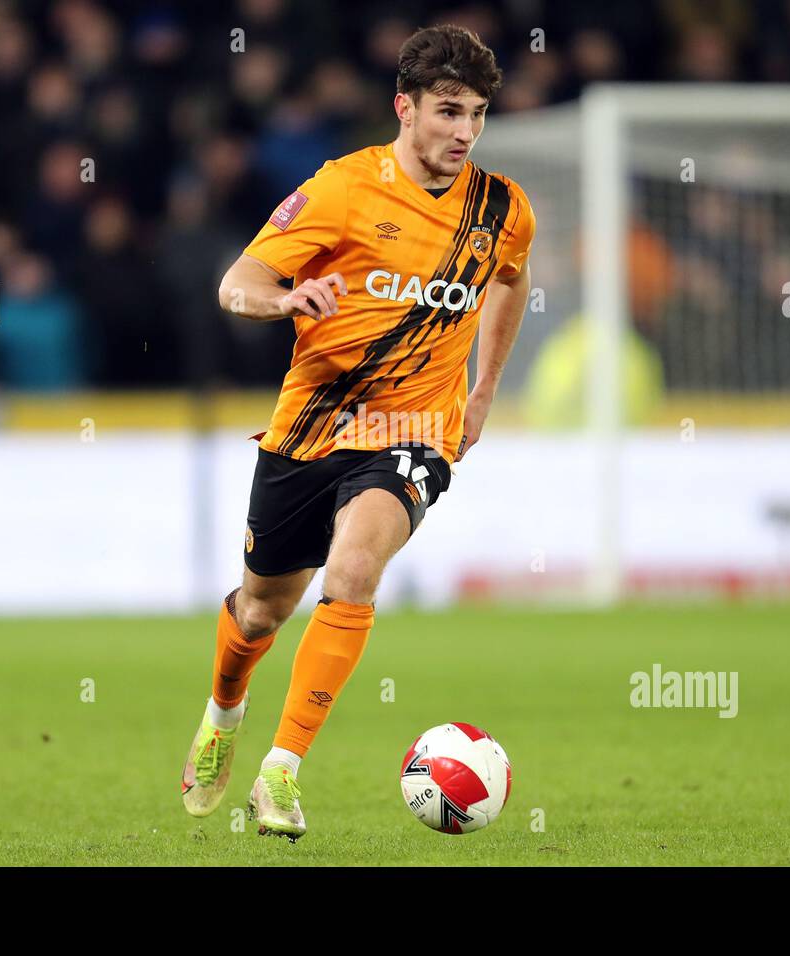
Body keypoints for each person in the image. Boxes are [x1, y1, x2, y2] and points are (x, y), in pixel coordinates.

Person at [180, 24, 536, 841]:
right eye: (449, 111)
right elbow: (239, 282)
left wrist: (483, 389)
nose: (464, 132)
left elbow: (512, 280)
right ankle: (223, 715)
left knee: (355, 565)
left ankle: (281, 773)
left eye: (478, 114)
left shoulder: (500, 209)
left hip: (416, 432)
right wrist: (283, 303)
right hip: (309, 429)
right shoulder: (340, 190)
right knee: (264, 611)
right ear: (404, 108)